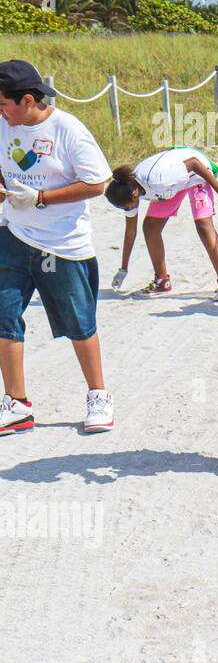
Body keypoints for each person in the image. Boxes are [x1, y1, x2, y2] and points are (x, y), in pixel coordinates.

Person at [0, 59, 115, 435]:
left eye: (3, 104)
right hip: (13, 234)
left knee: (79, 323)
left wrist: (41, 197)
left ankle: (98, 395)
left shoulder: (68, 130)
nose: (0, 112)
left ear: (28, 99)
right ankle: (16, 403)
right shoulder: (3, 123)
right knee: (4, 315)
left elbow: (97, 182)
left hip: (61, 243)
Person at [104, 146, 218, 296]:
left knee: (203, 225)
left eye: (128, 207)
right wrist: (123, 269)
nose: (128, 210)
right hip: (173, 186)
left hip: (198, 174)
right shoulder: (129, 189)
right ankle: (161, 281)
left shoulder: (159, 181)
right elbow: (130, 232)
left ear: (134, 195)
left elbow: (193, 163)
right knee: (150, 227)